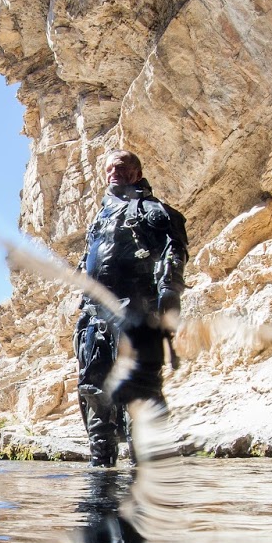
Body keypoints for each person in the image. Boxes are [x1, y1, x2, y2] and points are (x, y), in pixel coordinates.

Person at [74, 150, 188, 466]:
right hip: (95, 318)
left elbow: (174, 255)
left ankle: (146, 473)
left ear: (137, 173)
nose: (114, 172)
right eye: (109, 168)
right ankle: (101, 473)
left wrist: (169, 297)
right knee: (94, 391)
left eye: (121, 167)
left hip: (137, 312)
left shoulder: (155, 211)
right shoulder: (100, 220)